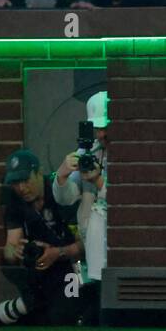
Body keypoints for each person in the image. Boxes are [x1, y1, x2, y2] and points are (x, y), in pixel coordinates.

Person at [0, 148, 85, 326]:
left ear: (39, 172)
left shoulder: (60, 194)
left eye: (25, 180)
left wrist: (58, 252)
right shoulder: (15, 200)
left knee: (63, 315)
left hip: (73, 266)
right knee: (8, 264)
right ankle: (32, 302)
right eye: (15, 183)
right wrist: (16, 250)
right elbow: (10, 245)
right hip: (42, 266)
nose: (21, 188)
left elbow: (85, 246)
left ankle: (39, 305)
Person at [52, 91, 110, 291]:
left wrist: (99, 181)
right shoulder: (89, 153)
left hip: (115, 248)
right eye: (97, 128)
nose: (101, 134)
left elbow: (132, 198)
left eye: (106, 128)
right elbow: (65, 198)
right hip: (90, 246)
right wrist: (62, 174)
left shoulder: (130, 150)